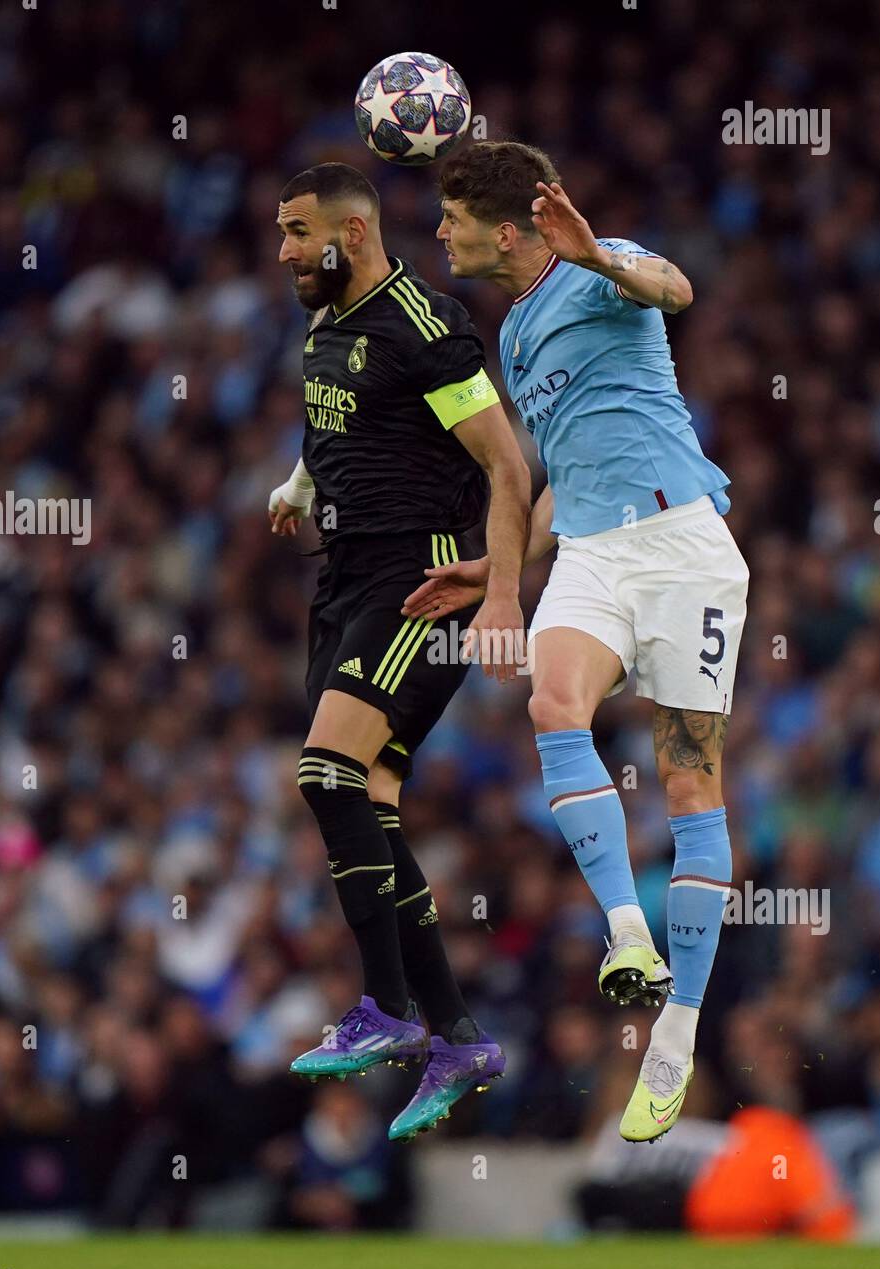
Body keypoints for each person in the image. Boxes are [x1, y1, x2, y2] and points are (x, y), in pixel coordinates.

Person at [403, 141, 749, 1142]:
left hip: (683, 546)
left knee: (688, 785)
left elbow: (673, 288)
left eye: (451, 217)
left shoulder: (605, 273)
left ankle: (674, 1037)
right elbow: (544, 475)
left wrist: (597, 255)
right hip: (592, 552)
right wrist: (495, 575)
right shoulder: (509, 334)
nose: (439, 233)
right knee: (550, 703)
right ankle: (626, 934)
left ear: (501, 227)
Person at [268, 163, 530, 1141]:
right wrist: (298, 483)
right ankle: (457, 1033)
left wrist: (496, 586)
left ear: (354, 230)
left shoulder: (424, 325)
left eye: (298, 232)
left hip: (416, 582)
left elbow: (507, 464)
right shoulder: (325, 318)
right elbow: (329, 412)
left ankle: (386, 1009)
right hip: (343, 582)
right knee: (369, 804)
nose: (285, 250)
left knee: (323, 773)